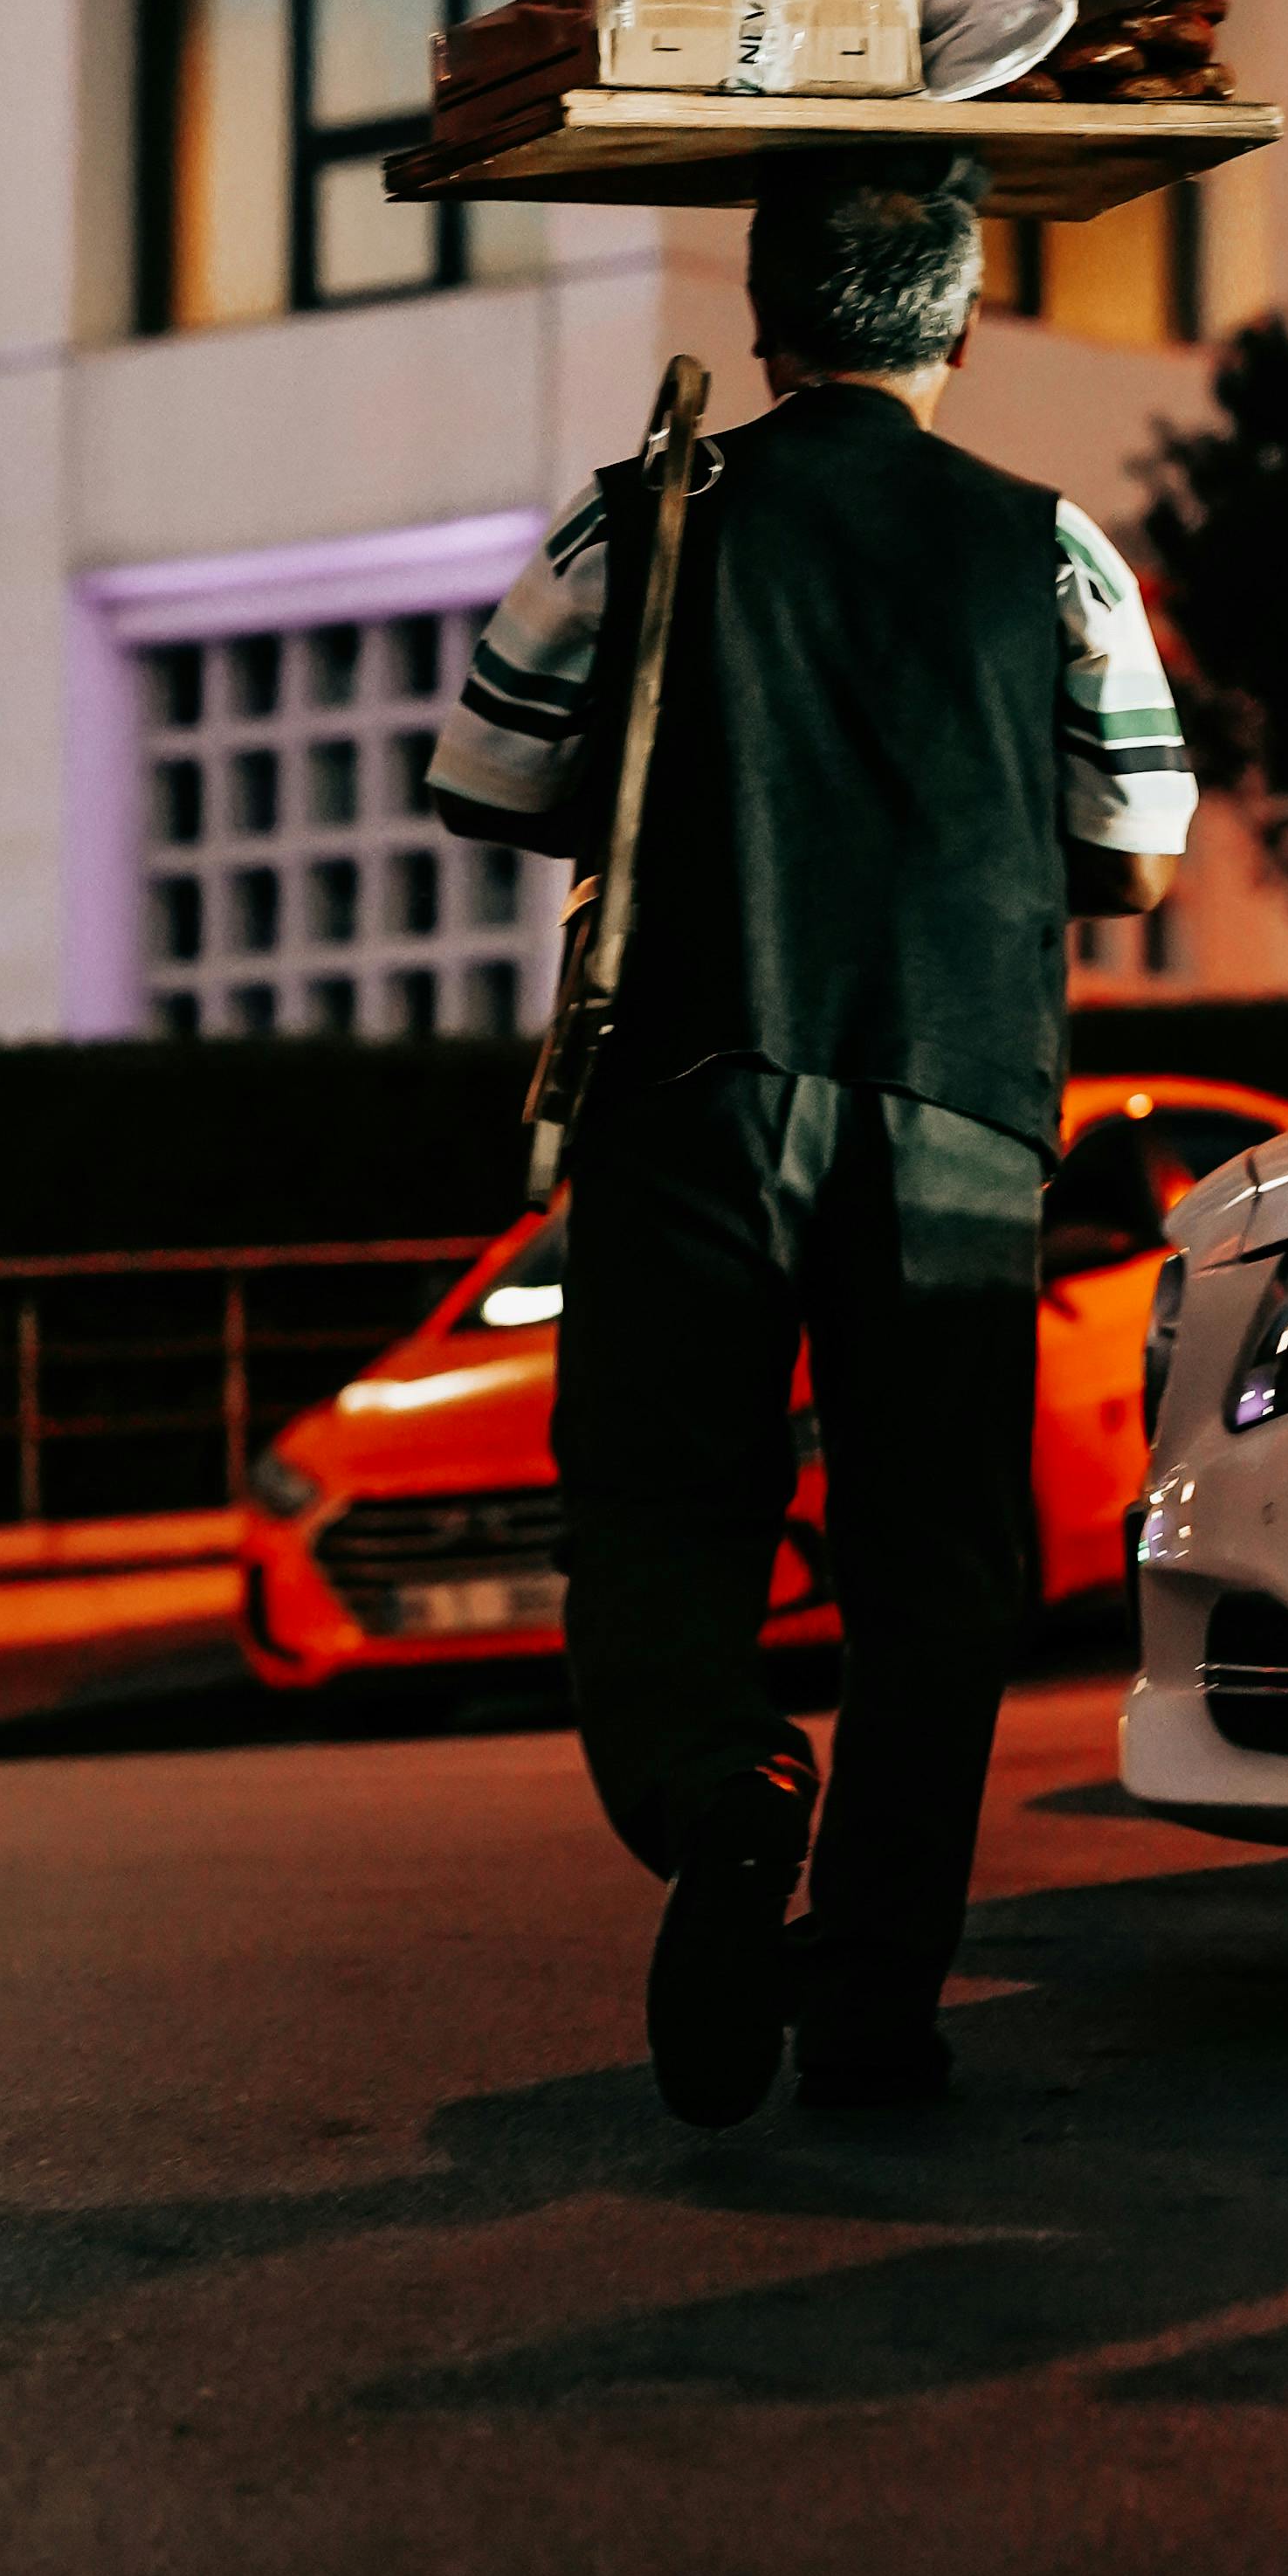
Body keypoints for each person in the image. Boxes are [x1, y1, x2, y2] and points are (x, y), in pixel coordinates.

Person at [428, 157, 1195, 2126]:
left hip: (694, 1079)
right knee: (933, 1556)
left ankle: (721, 1793)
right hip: (956, 1092)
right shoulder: (1051, 550)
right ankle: (865, 2004)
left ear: (766, 318)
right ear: (953, 324)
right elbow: (1139, 841)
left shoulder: (649, 510)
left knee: (660, 1501)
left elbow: (487, 768)